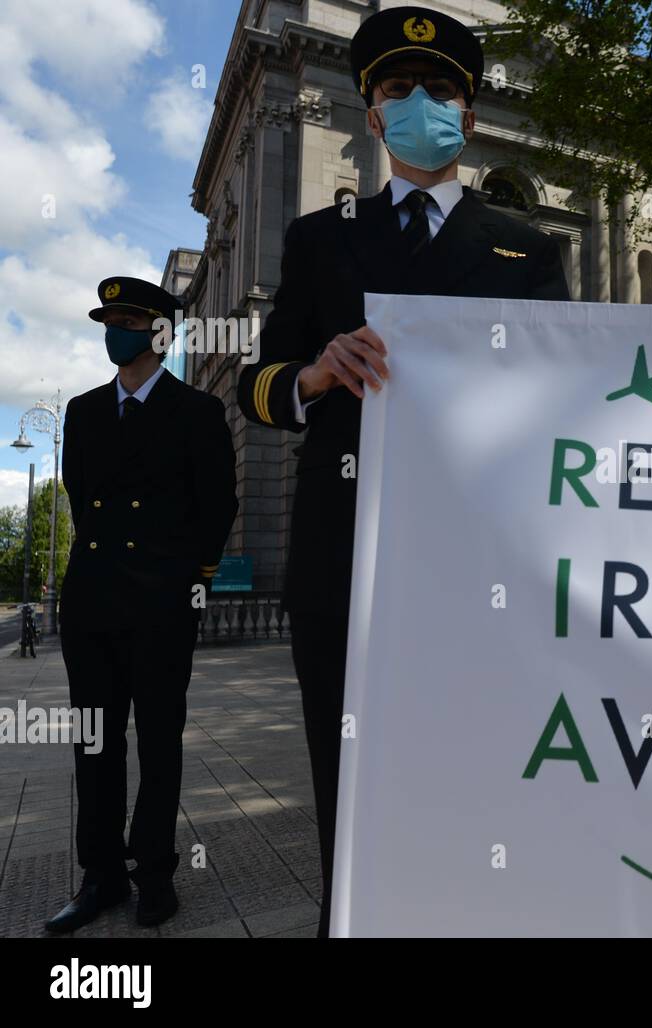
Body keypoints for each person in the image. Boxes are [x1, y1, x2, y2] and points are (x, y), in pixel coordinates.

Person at [236, 5, 570, 938]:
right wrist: (314, 371)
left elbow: (576, 393)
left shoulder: (528, 246)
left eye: (442, 91)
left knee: (476, 763)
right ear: (373, 116)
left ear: (467, 115)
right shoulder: (317, 240)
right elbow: (256, 391)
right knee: (347, 770)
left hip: (482, 561)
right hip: (346, 552)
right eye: (397, 89)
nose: (421, 103)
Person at [46, 277, 238, 932]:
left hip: (160, 605)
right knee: (94, 744)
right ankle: (99, 875)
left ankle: (153, 873)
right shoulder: (83, 410)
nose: (114, 331)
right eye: (109, 319)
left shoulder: (198, 413)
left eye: (128, 319)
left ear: (159, 332)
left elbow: (217, 510)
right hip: (93, 603)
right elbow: (81, 497)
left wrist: (191, 587)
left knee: (158, 743)